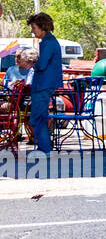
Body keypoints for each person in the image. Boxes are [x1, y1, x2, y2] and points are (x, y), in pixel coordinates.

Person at [26, 13, 61, 155]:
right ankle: (43, 147)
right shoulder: (49, 42)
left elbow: (41, 65)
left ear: (42, 26)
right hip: (43, 84)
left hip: (43, 85)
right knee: (37, 117)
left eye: (34, 27)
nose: (33, 31)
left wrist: (31, 62)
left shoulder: (48, 43)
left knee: (39, 117)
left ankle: (45, 149)